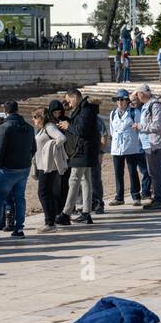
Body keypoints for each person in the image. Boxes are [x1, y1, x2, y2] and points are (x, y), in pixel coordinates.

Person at [0, 100, 35, 240]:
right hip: (24, 168)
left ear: (5, 112)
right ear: (17, 110)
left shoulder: (5, 126)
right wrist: (26, 160)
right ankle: (19, 229)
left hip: (8, 169)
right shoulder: (28, 127)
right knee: (19, 198)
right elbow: (33, 148)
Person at [59, 88, 99, 225]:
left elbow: (81, 130)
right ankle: (86, 213)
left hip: (82, 150)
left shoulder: (85, 110)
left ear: (75, 97)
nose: (69, 104)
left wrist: (67, 125)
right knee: (85, 179)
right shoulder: (84, 109)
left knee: (74, 179)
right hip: (84, 150)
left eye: (69, 101)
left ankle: (66, 213)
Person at [135, 84, 161, 211]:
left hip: (155, 144)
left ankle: (159, 199)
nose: (137, 97)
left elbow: (157, 125)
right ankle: (157, 197)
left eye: (138, 94)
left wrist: (140, 127)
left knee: (156, 172)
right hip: (147, 144)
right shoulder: (146, 106)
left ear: (142, 94)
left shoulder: (155, 105)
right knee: (152, 172)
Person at [109, 90, 144, 206]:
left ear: (127, 101)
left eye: (122, 99)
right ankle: (119, 197)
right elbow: (112, 130)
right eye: (117, 100)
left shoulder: (134, 112)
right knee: (118, 172)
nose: (119, 102)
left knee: (132, 171)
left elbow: (140, 128)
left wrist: (138, 143)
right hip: (116, 147)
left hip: (131, 146)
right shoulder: (113, 113)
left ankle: (136, 196)